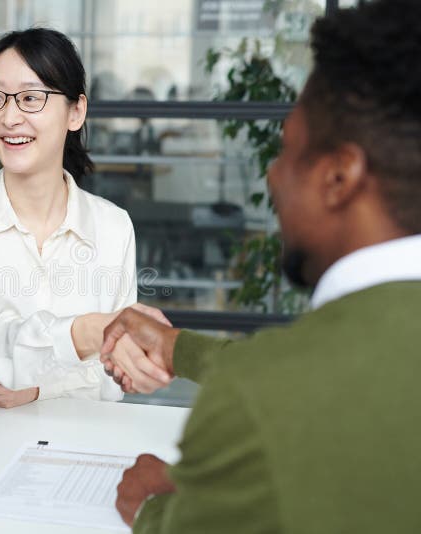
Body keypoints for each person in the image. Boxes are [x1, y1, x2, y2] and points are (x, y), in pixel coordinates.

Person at [101, 1, 421, 532]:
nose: (272, 177)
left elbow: (286, 390)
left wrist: (153, 511)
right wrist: (175, 345)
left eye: (288, 151)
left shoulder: (261, 404)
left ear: (340, 178)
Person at [0, 28, 167, 408]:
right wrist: (96, 331)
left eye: (31, 98)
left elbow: (112, 382)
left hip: (84, 439)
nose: (10, 117)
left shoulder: (114, 227)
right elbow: (0, 345)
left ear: (76, 112)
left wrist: (38, 389)